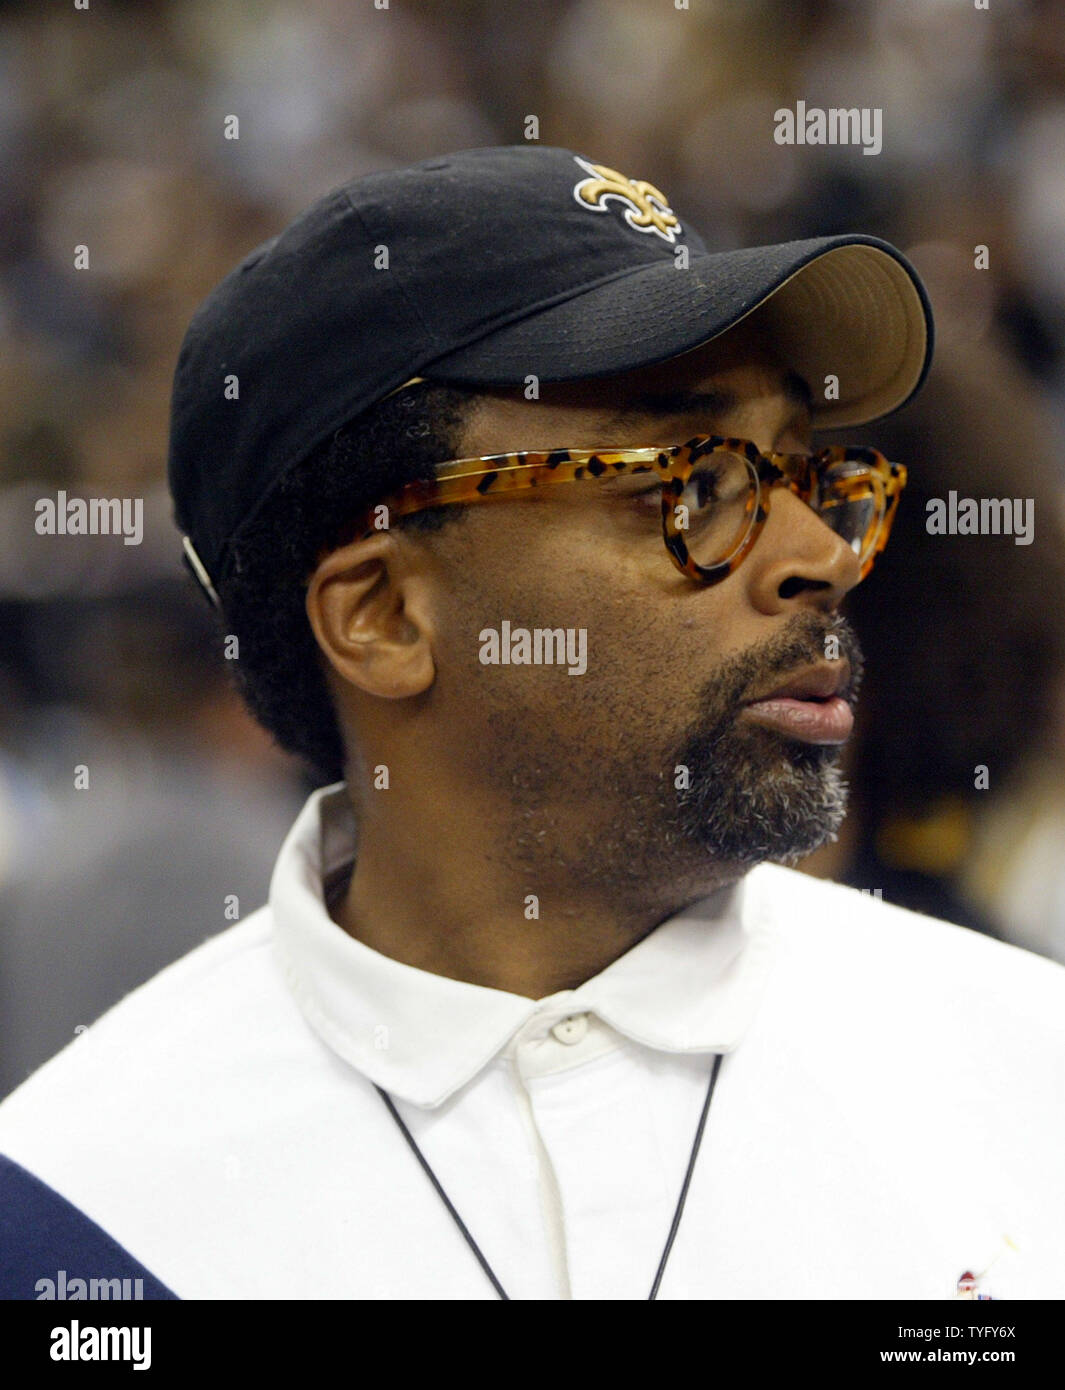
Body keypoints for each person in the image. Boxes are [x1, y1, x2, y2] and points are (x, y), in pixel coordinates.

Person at [1, 147, 1062, 1301]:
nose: (817, 555)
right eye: (692, 484)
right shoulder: (78, 1216)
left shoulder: (1024, 1071)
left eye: (809, 474)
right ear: (385, 615)